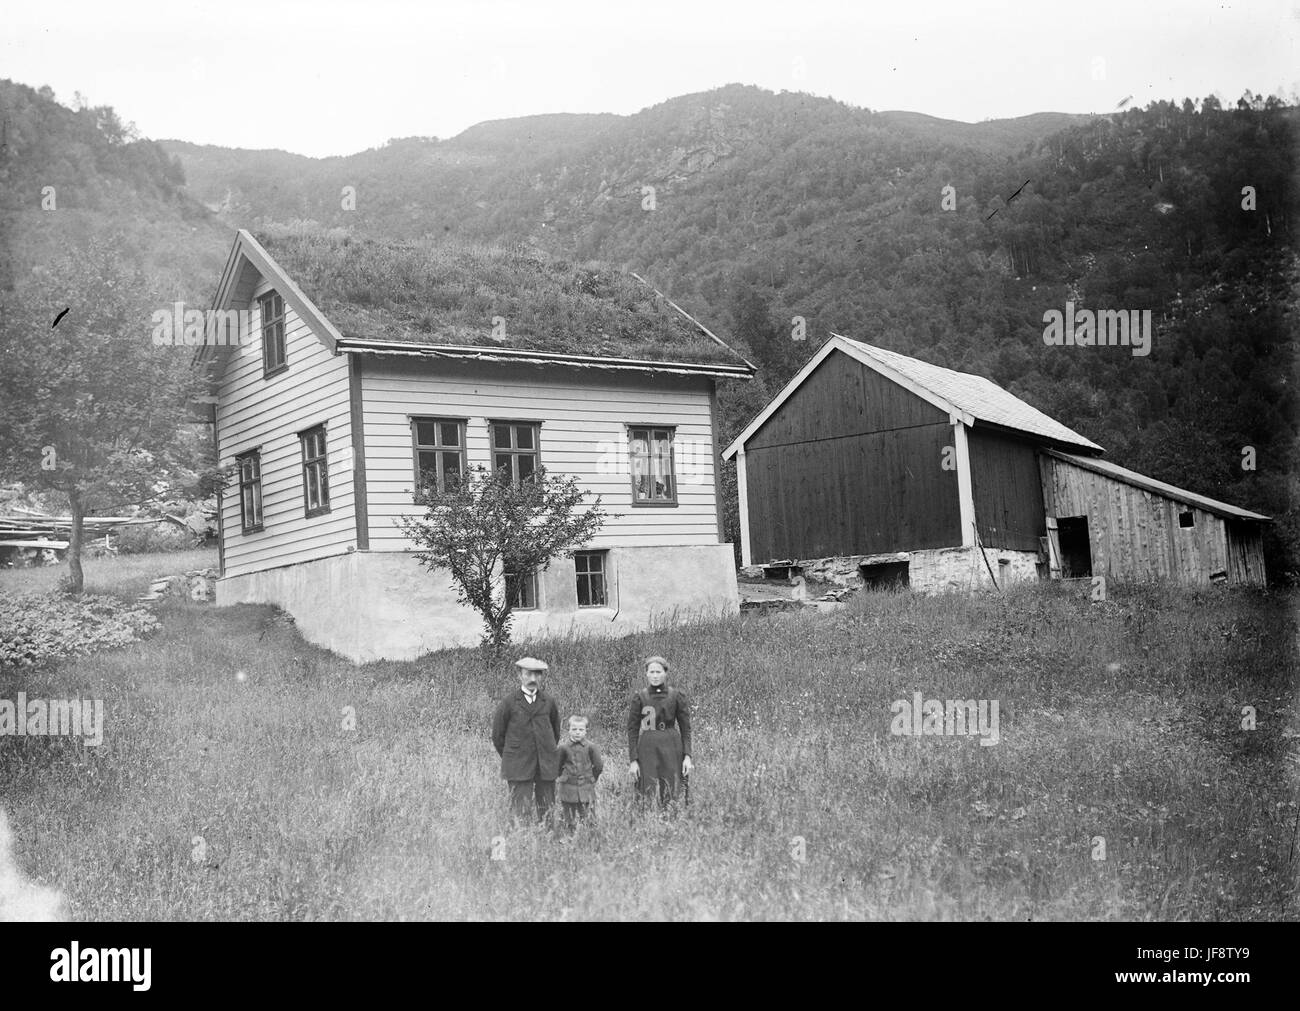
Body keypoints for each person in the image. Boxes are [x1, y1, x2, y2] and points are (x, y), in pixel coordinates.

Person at [491, 657, 561, 823]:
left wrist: (545, 752)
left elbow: (555, 732)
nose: (532, 679)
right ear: (519, 675)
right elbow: (498, 736)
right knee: (520, 813)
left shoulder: (549, 702)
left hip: (545, 764)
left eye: (537, 675)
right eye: (528, 674)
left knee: (547, 811)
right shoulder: (508, 703)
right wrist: (514, 755)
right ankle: (522, 843)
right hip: (518, 765)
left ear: (542, 677)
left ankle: (547, 840)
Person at [626, 656, 692, 808]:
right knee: (646, 787)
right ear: (646, 674)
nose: (655, 676)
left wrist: (687, 756)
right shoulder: (640, 697)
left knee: (671, 785)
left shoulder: (676, 696)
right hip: (648, 745)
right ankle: (647, 820)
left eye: (658, 672)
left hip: (671, 744)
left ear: (665, 673)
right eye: (651, 672)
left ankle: (670, 817)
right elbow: (633, 730)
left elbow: (685, 729)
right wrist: (633, 760)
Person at [555, 715, 603, 830]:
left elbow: (599, 766)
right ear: (568, 730)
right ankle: (568, 839)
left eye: (581, 730)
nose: (577, 733)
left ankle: (589, 841)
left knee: (589, 819)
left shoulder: (591, 747)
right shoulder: (563, 748)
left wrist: (591, 779)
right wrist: (563, 777)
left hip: (586, 788)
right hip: (568, 789)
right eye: (574, 729)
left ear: (586, 731)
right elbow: (557, 766)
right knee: (569, 819)